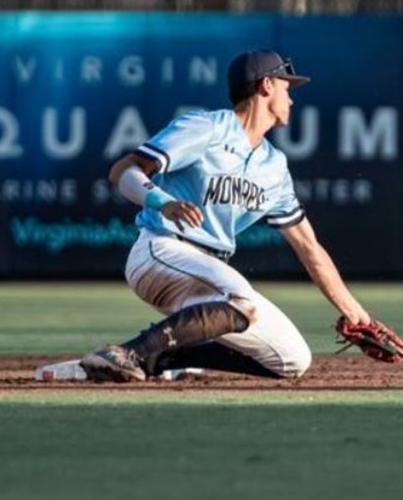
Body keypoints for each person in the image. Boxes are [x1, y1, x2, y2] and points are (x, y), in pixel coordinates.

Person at [75, 49, 381, 382]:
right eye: (286, 88)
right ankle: (128, 353)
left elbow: (310, 249)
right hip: (161, 251)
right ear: (266, 86)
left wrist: (357, 315)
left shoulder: (274, 166)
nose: (291, 99)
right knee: (242, 299)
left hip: (211, 277)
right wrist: (163, 202)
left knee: (293, 359)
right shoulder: (206, 128)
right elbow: (123, 170)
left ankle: (153, 360)